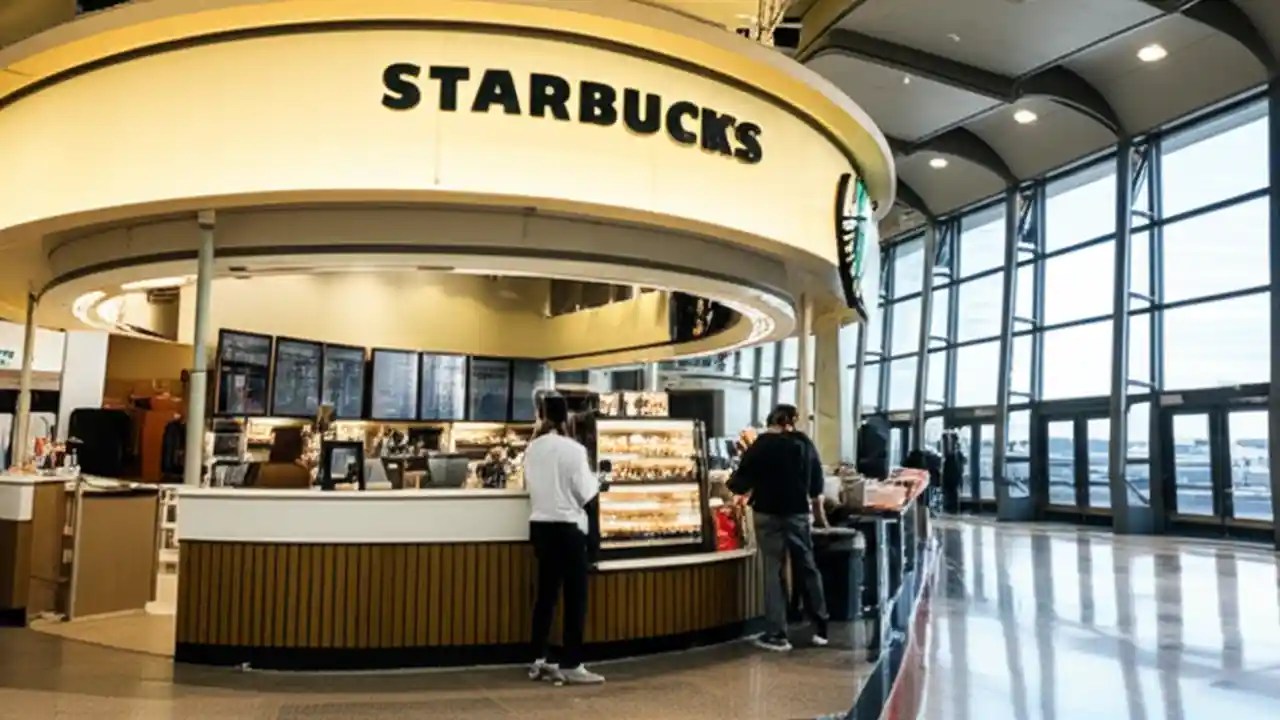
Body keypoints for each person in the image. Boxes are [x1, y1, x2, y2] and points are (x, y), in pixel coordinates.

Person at [729, 404, 830, 652]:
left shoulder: (760, 445)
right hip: (797, 512)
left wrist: (742, 487)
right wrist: (820, 517)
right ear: (791, 421)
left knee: (773, 571)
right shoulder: (803, 444)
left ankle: (777, 635)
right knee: (807, 565)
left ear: (771, 421)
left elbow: (739, 484)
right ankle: (820, 628)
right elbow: (817, 485)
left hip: (767, 513)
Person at [523, 395, 605, 685]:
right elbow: (585, 492)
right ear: (566, 417)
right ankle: (571, 663)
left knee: (545, 595)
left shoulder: (532, 449)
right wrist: (599, 481)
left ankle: (538, 658)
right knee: (575, 597)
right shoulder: (574, 449)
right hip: (568, 528)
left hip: (540, 527)